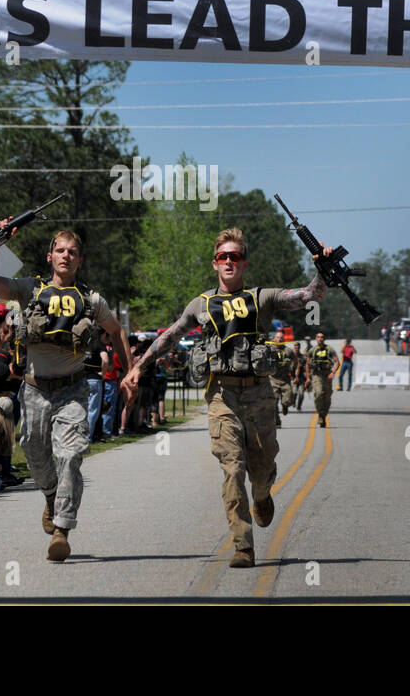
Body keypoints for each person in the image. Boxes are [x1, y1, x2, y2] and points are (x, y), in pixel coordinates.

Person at [120, 228, 329, 568]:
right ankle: (243, 546)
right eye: (223, 257)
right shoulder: (201, 304)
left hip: (259, 395)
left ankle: (262, 495)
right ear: (215, 264)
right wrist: (138, 368)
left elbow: (309, 296)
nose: (229, 261)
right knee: (233, 469)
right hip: (221, 396)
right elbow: (171, 335)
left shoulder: (262, 297)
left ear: (244, 263)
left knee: (261, 469)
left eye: (235, 256)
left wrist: (321, 267)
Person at [0, 226, 131, 561]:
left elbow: (117, 331)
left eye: (72, 252)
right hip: (33, 390)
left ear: (80, 260)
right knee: (33, 449)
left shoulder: (91, 300)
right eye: (60, 250)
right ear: (50, 256)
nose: (66, 256)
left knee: (71, 455)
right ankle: (49, 495)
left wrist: (130, 374)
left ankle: (62, 528)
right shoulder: (30, 289)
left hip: (72, 389)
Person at [307, 331, 340, 428]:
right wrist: (308, 378)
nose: (320, 339)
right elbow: (307, 364)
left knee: (327, 398)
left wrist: (332, 372)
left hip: (327, 375)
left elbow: (337, 362)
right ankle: (320, 414)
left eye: (322, 337)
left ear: (324, 339)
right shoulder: (312, 350)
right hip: (317, 375)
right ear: (315, 339)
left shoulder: (329, 349)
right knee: (319, 394)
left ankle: (323, 415)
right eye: (318, 337)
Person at [268, 338, 294, 419]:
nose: (279, 340)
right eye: (278, 338)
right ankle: (277, 420)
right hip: (273, 379)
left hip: (285, 379)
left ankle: (285, 405)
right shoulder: (269, 350)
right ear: (274, 340)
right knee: (273, 401)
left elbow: (295, 361)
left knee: (288, 399)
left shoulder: (288, 350)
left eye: (281, 338)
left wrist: (294, 372)